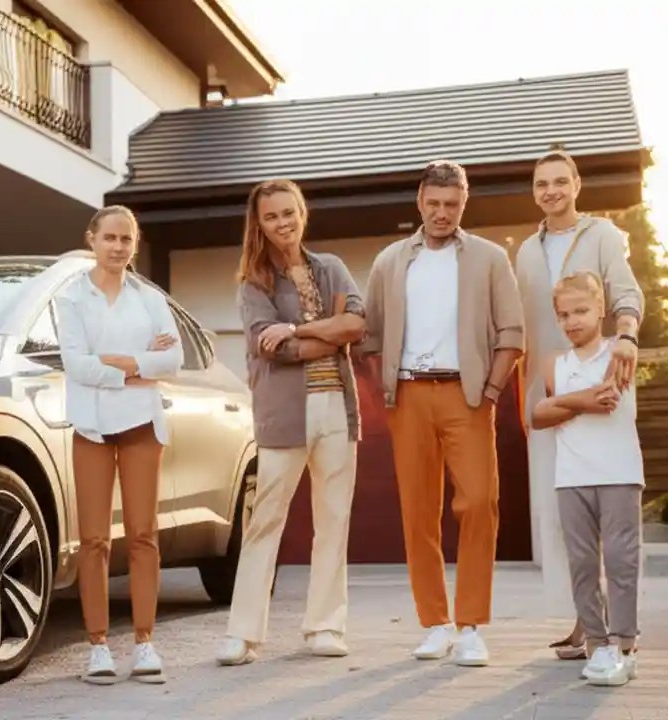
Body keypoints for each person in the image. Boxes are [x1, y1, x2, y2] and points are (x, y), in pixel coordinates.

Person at [360, 160, 524, 667]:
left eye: (451, 205)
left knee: (478, 503)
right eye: (433, 204)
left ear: (464, 203)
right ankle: (434, 622)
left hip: (467, 396)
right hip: (409, 398)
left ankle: (471, 624)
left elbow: (512, 333)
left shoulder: (490, 259)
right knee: (419, 511)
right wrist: (387, 386)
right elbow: (370, 337)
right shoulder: (390, 261)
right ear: (420, 201)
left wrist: (491, 390)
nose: (441, 213)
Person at [215, 178, 367, 666]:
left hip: (336, 409)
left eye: (289, 212)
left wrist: (299, 329)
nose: (283, 222)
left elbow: (358, 326)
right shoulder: (253, 283)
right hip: (284, 413)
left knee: (334, 519)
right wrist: (327, 336)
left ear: (303, 212)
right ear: (258, 225)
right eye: (272, 216)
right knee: (266, 521)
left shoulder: (333, 269)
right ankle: (243, 634)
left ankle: (325, 626)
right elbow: (272, 347)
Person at [514, 150, 645, 660]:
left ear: (577, 184)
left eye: (559, 181)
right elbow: (520, 321)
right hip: (546, 381)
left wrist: (628, 336)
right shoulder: (526, 251)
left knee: (608, 514)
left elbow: (627, 292)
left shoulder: (604, 236)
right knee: (561, 511)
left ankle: (609, 628)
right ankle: (584, 621)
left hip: (598, 369)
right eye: (541, 182)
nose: (550, 191)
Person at [55, 205, 184, 685]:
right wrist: (134, 368)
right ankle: (98, 647)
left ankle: (145, 642)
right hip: (90, 425)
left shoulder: (149, 298)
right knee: (93, 539)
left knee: (143, 534)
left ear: (136, 243)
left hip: (141, 424)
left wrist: (119, 363)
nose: (118, 247)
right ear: (92, 239)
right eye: (109, 237)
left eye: (126, 240)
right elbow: (75, 364)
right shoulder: (71, 299)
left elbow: (174, 358)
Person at [531, 270, 644, 687]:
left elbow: (608, 398)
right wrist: (577, 399)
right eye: (564, 314)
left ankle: (625, 646)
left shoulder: (620, 352)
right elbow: (537, 416)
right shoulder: (554, 363)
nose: (573, 320)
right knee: (581, 564)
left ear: (600, 309)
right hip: (571, 478)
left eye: (581, 310)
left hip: (619, 474)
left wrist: (562, 402)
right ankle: (596, 646)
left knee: (620, 561)